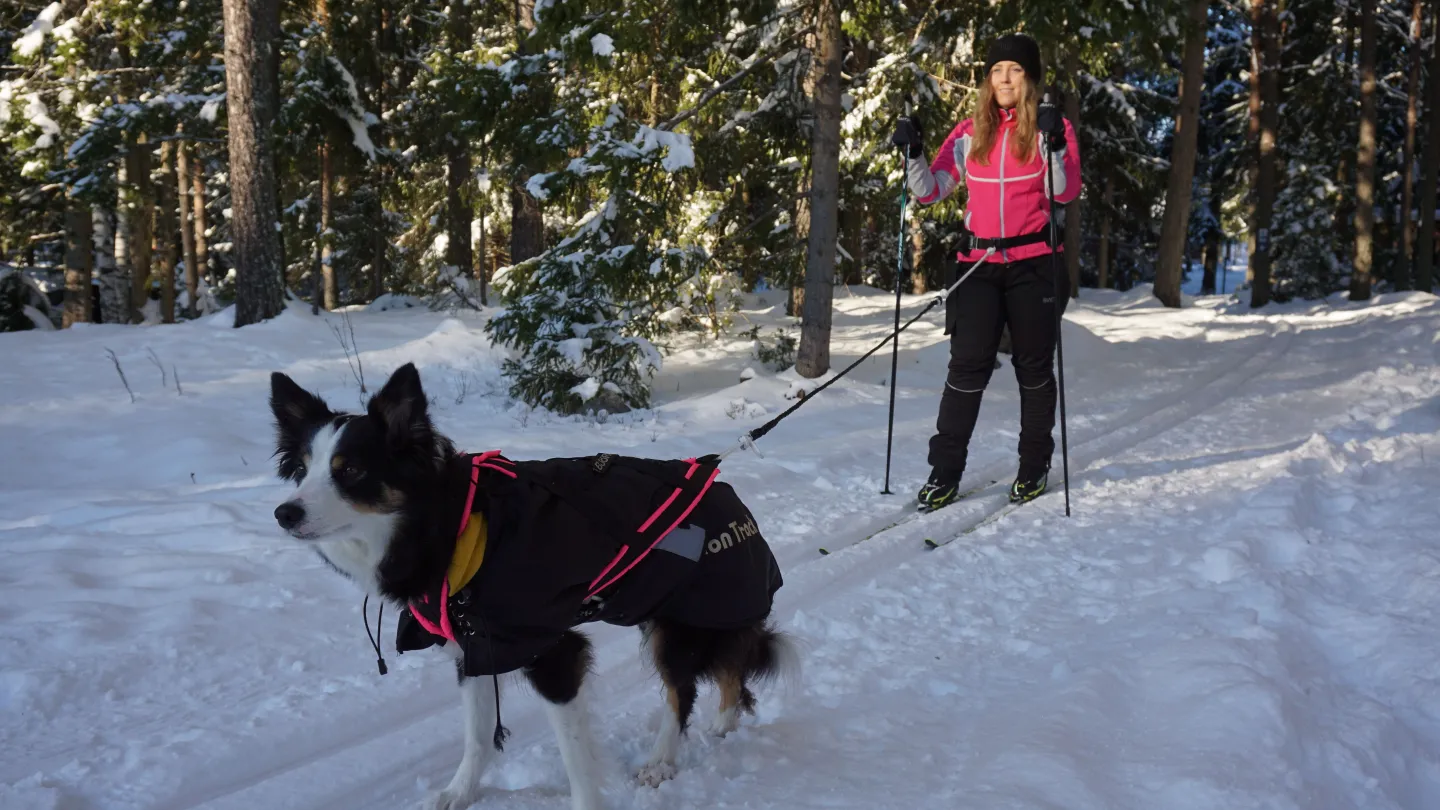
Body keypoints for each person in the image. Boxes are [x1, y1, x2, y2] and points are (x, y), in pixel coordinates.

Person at [891, 32, 1081, 511]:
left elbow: (1064, 192)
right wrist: (913, 152)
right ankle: (945, 471)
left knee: (1033, 368)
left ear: (1030, 79)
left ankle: (1034, 466)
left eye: (1015, 70)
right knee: (966, 367)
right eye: (997, 70)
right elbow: (931, 190)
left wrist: (1055, 143)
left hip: (1034, 264)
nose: (1004, 78)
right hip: (976, 266)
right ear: (987, 79)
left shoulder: (1047, 128)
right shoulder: (969, 132)